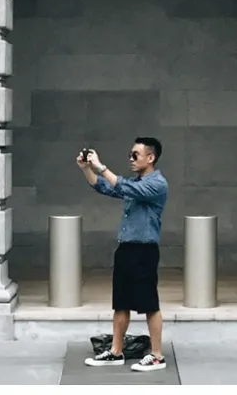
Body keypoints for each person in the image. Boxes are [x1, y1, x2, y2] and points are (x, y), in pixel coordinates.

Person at [77, 137, 169, 372]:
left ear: (151, 158)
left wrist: (101, 167)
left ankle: (157, 355)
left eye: (135, 155)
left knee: (150, 303)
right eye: (130, 154)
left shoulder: (157, 184)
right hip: (126, 248)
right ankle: (116, 352)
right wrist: (87, 168)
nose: (130, 158)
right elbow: (104, 187)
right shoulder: (134, 182)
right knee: (121, 303)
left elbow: (122, 186)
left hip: (145, 250)